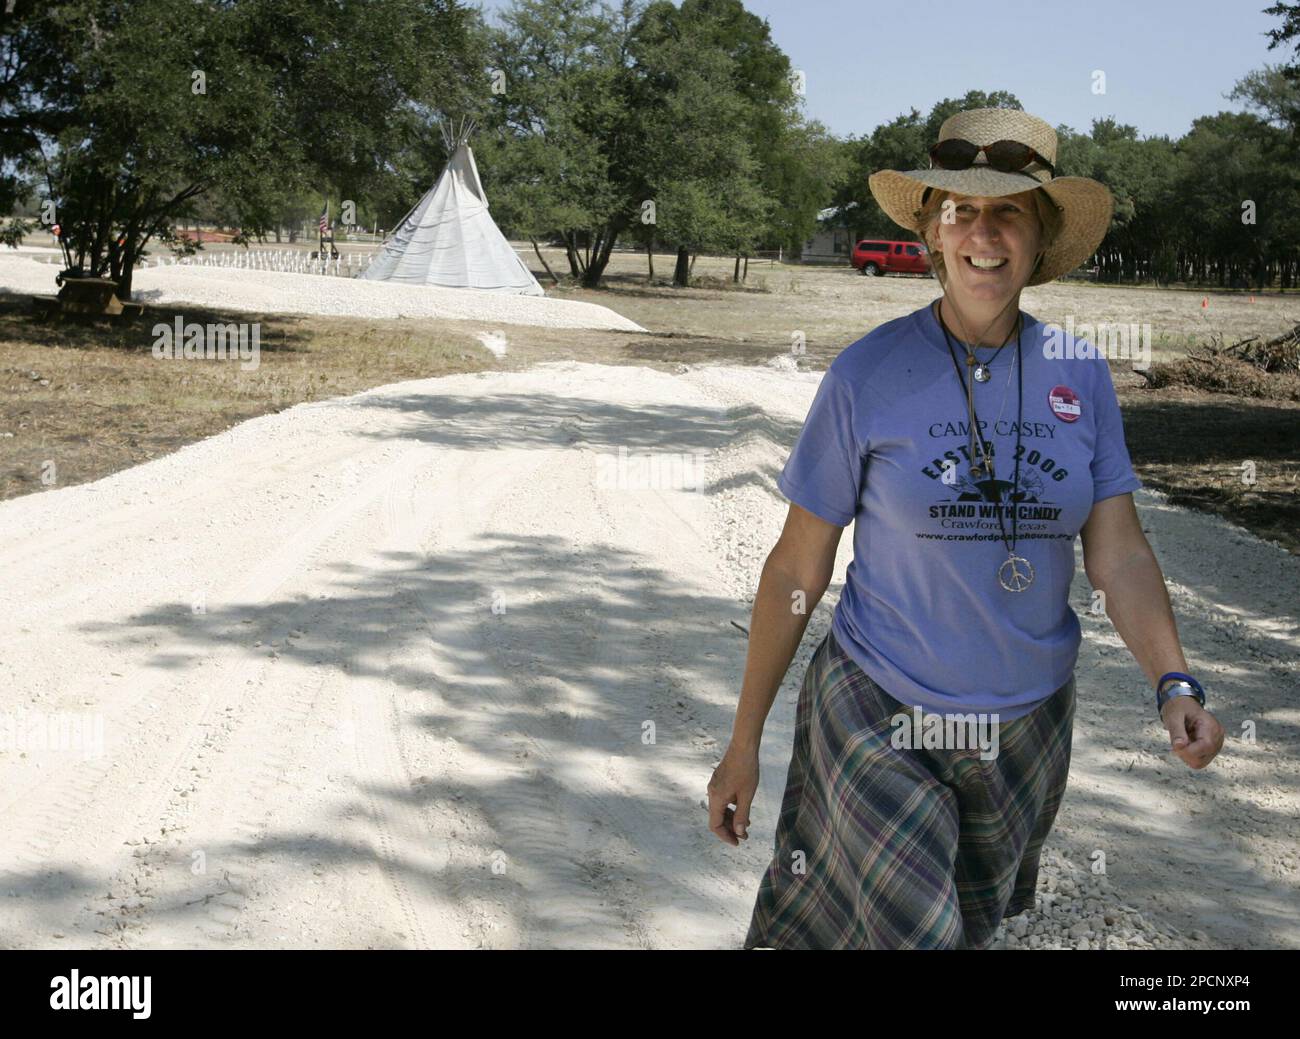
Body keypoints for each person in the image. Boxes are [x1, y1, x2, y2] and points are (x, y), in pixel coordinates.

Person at [707, 107, 1225, 950]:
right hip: (881, 711)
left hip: (1026, 728)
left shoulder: (1080, 375)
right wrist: (743, 743)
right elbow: (796, 567)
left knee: (961, 928)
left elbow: (1119, 552)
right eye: (960, 209)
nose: (983, 231)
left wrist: (1174, 681)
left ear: (1042, 233)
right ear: (931, 232)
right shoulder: (867, 374)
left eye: (1009, 209)